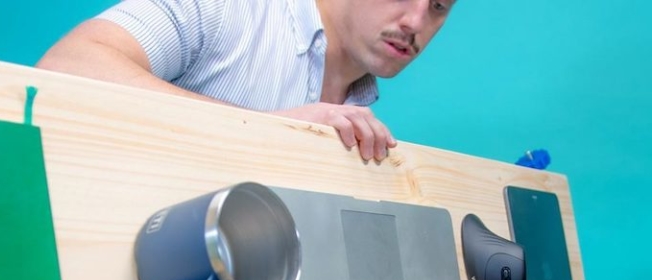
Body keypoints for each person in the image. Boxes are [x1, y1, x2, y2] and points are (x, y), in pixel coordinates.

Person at [38, 0, 455, 161]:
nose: (416, 22)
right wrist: (272, 132)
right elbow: (66, 66)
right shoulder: (229, 8)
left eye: (439, 5)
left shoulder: (360, 105)